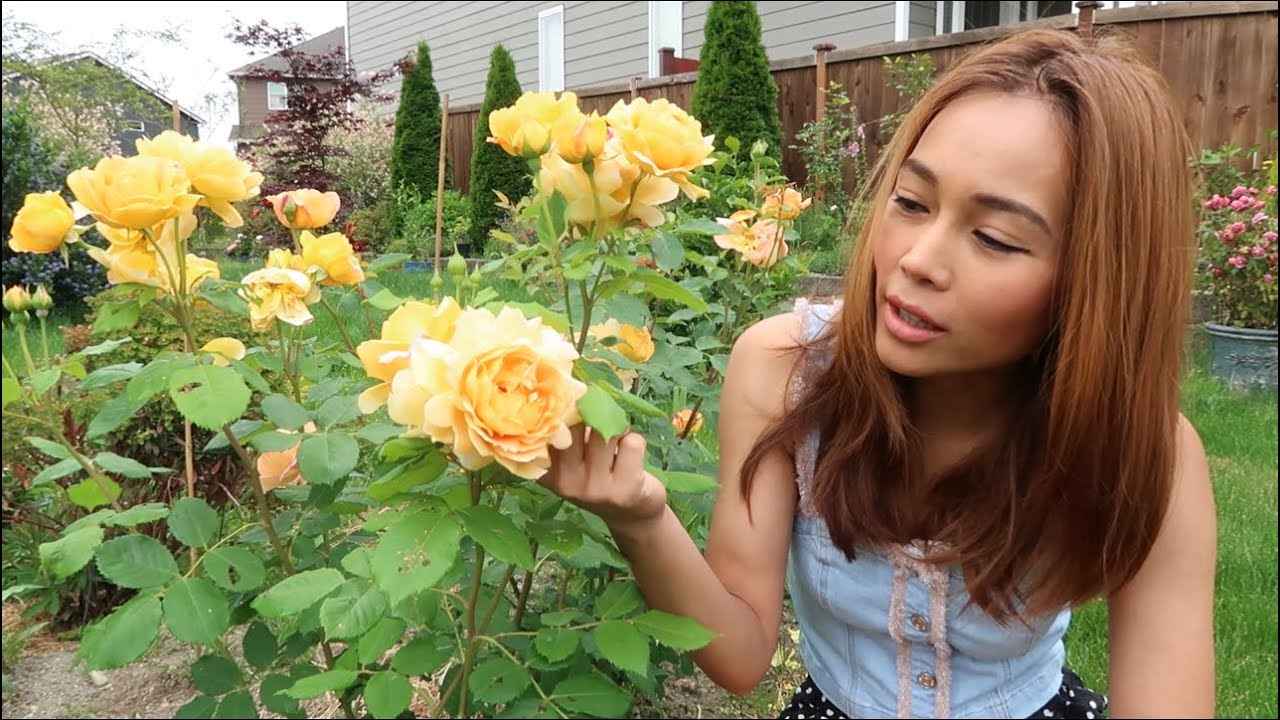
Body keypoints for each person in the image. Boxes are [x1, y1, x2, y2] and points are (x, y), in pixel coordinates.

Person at [542, 26, 1217, 719]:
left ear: (1100, 283)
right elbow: (740, 655)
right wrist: (641, 520)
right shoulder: (784, 370)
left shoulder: (1149, 455)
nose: (917, 259)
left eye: (995, 238)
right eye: (911, 202)